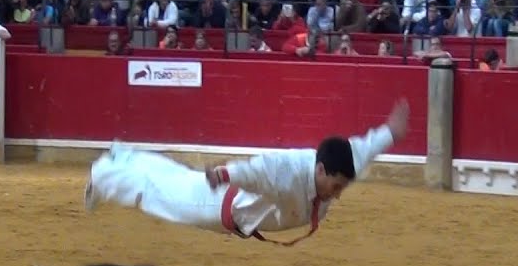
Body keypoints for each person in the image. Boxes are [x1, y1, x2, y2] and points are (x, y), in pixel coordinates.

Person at [83, 99, 410, 246]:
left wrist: (391, 133)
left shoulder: (341, 163)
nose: (337, 195)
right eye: (335, 186)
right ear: (320, 169)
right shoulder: (290, 173)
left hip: (233, 209)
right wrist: (225, 175)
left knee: (172, 179)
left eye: (342, 188)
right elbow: (257, 172)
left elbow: (365, 146)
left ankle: (123, 156)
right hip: (216, 206)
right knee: (156, 194)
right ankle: (102, 175)